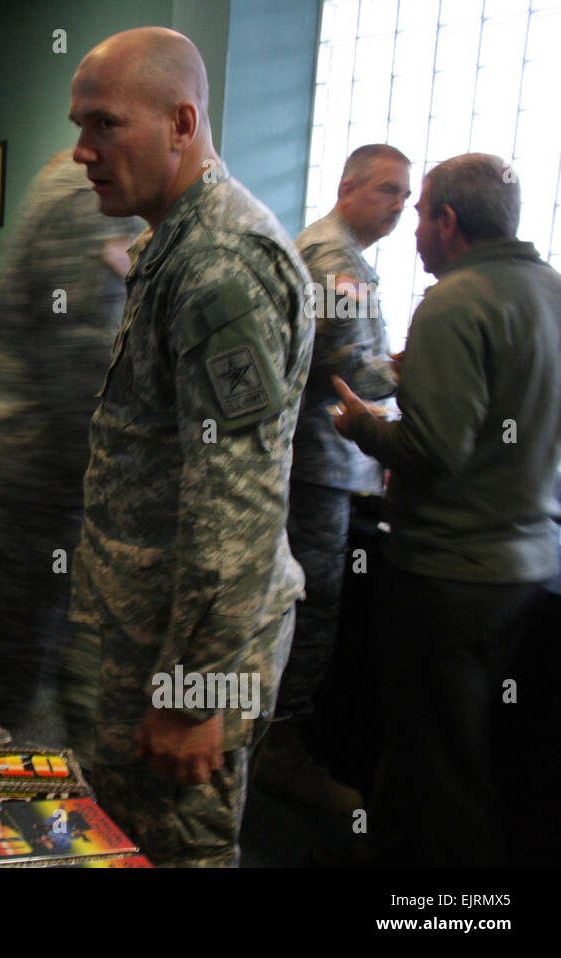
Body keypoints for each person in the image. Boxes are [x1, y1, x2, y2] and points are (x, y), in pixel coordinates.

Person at [67, 27, 312, 867]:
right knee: (130, 836)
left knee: (175, 848)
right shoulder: (175, 239)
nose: (81, 151)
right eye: (81, 127)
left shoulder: (219, 266)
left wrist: (192, 691)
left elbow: (237, 500)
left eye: (105, 125)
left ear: (181, 122)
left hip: (192, 656)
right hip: (157, 631)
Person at [332, 153, 561, 866]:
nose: (411, 229)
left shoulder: (454, 302)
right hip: (527, 566)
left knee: (441, 765)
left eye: (420, 210)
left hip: (447, 572)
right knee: (459, 748)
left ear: (449, 221)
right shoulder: (549, 290)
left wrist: (360, 422)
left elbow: (433, 448)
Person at [0, 150, 143, 736]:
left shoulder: (85, 186)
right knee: (35, 661)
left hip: (43, 470)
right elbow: (83, 361)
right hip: (50, 476)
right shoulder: (88, 195)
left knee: (33, 651)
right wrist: (121, 487)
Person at [255, 144, 409, 814]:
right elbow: (346, 369)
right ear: (348, 188)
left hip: (320, 461)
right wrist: (414, 363)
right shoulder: (336, 260)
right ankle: (278, 750)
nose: (399, 206)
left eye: (406, 195)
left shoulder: (331, 251)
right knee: (312, 607)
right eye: (387, 191)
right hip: (317, 464)